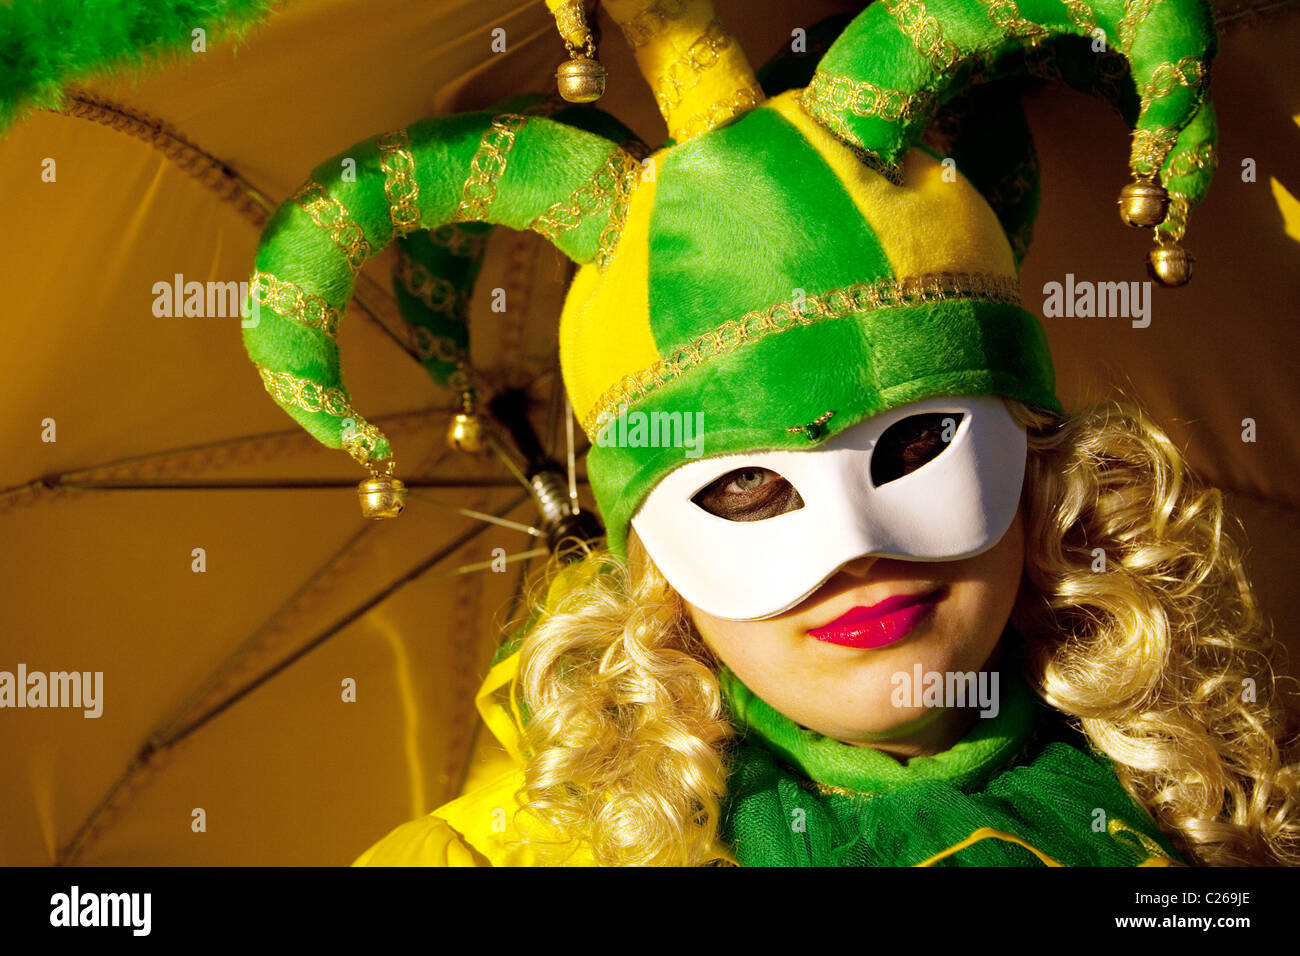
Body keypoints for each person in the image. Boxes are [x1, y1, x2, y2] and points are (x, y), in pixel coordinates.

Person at [239, 0, 1299, 865]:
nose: (856, 549)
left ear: (1040, 467)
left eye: (917, 443)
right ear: (650, 564)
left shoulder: (1208, 799)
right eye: (743, 487)